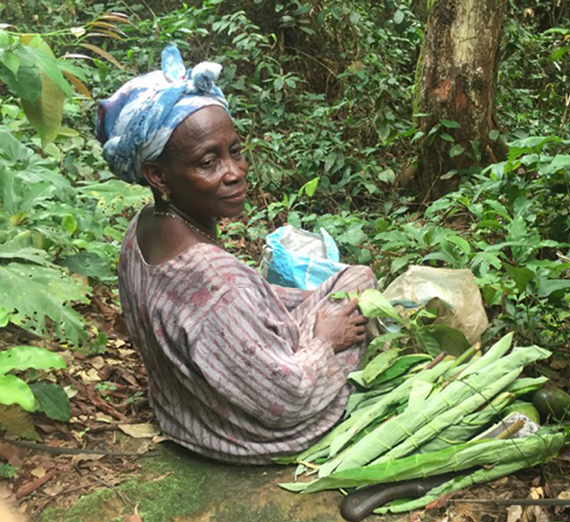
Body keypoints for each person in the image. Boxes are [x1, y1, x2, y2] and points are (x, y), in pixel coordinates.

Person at [97, 46, 376, 463]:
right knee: (361, 288)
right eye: (209, 161)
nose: (235, 171)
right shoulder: (217, 284)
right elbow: (287, 400)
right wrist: (322, 340)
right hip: (245, 433)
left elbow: (213, 315)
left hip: (185, 412)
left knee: (343, 283)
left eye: (236, 151)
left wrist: (279, 304)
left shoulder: (144, 225)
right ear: (158, 175)